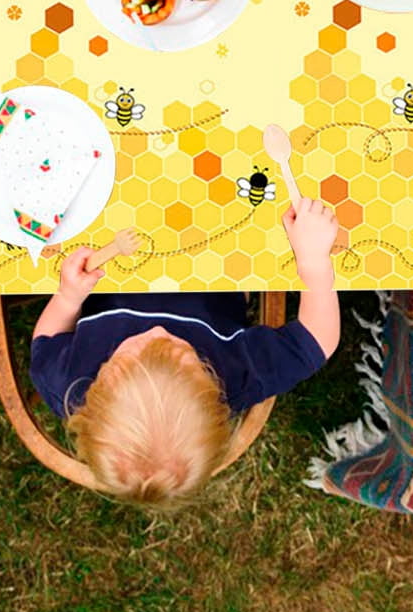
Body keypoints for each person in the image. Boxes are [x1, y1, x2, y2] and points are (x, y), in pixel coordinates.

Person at [30, 192, 340, 504]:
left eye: (130, 356)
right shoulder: (237, 375)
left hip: (111, 228)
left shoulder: (68, 385)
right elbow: (316, 340)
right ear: (214, 397)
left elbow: (46, 340)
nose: (157, 333)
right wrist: (314, 263)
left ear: (95, 393)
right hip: (217, 241)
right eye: (182, 355)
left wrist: (67, 298)